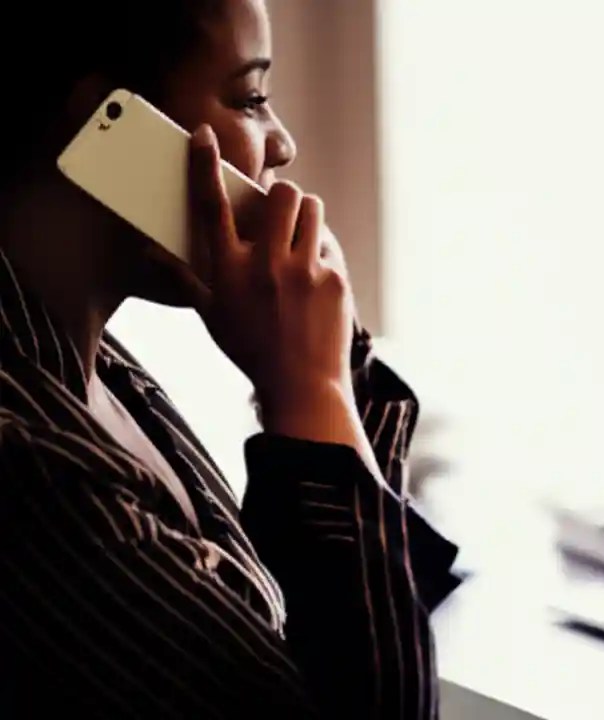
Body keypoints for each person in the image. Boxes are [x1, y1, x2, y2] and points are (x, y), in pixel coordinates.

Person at [0, 0, 461, 717]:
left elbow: (281, 641)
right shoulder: (36, 472)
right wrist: (310, 393)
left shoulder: (94, 380)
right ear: (100, 121)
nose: (282, 145)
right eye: (251, 98)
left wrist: (331, 372)